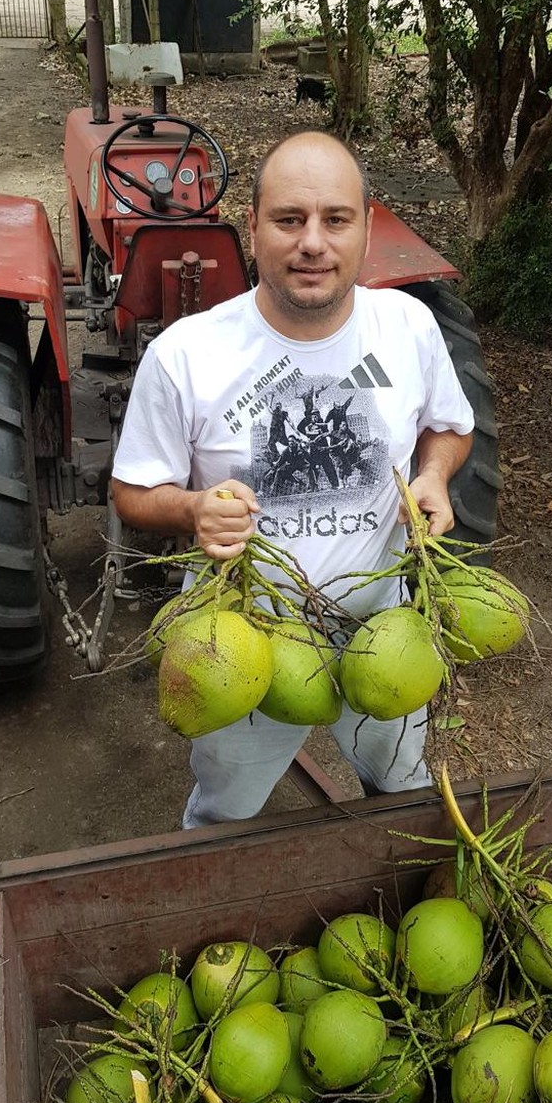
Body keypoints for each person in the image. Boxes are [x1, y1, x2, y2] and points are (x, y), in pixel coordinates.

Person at [111, 131, 475, 829]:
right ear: (252, 228)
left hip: (381, 629)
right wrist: (191, 507)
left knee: (401, 800)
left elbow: (451, 429)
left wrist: (433, 475)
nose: (313, 242)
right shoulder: (187, 354)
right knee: (227, 819)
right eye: (288, 219)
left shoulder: (409, 327)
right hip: (242, 641)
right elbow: (132, 491)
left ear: (368, 226)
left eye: (336, 219)